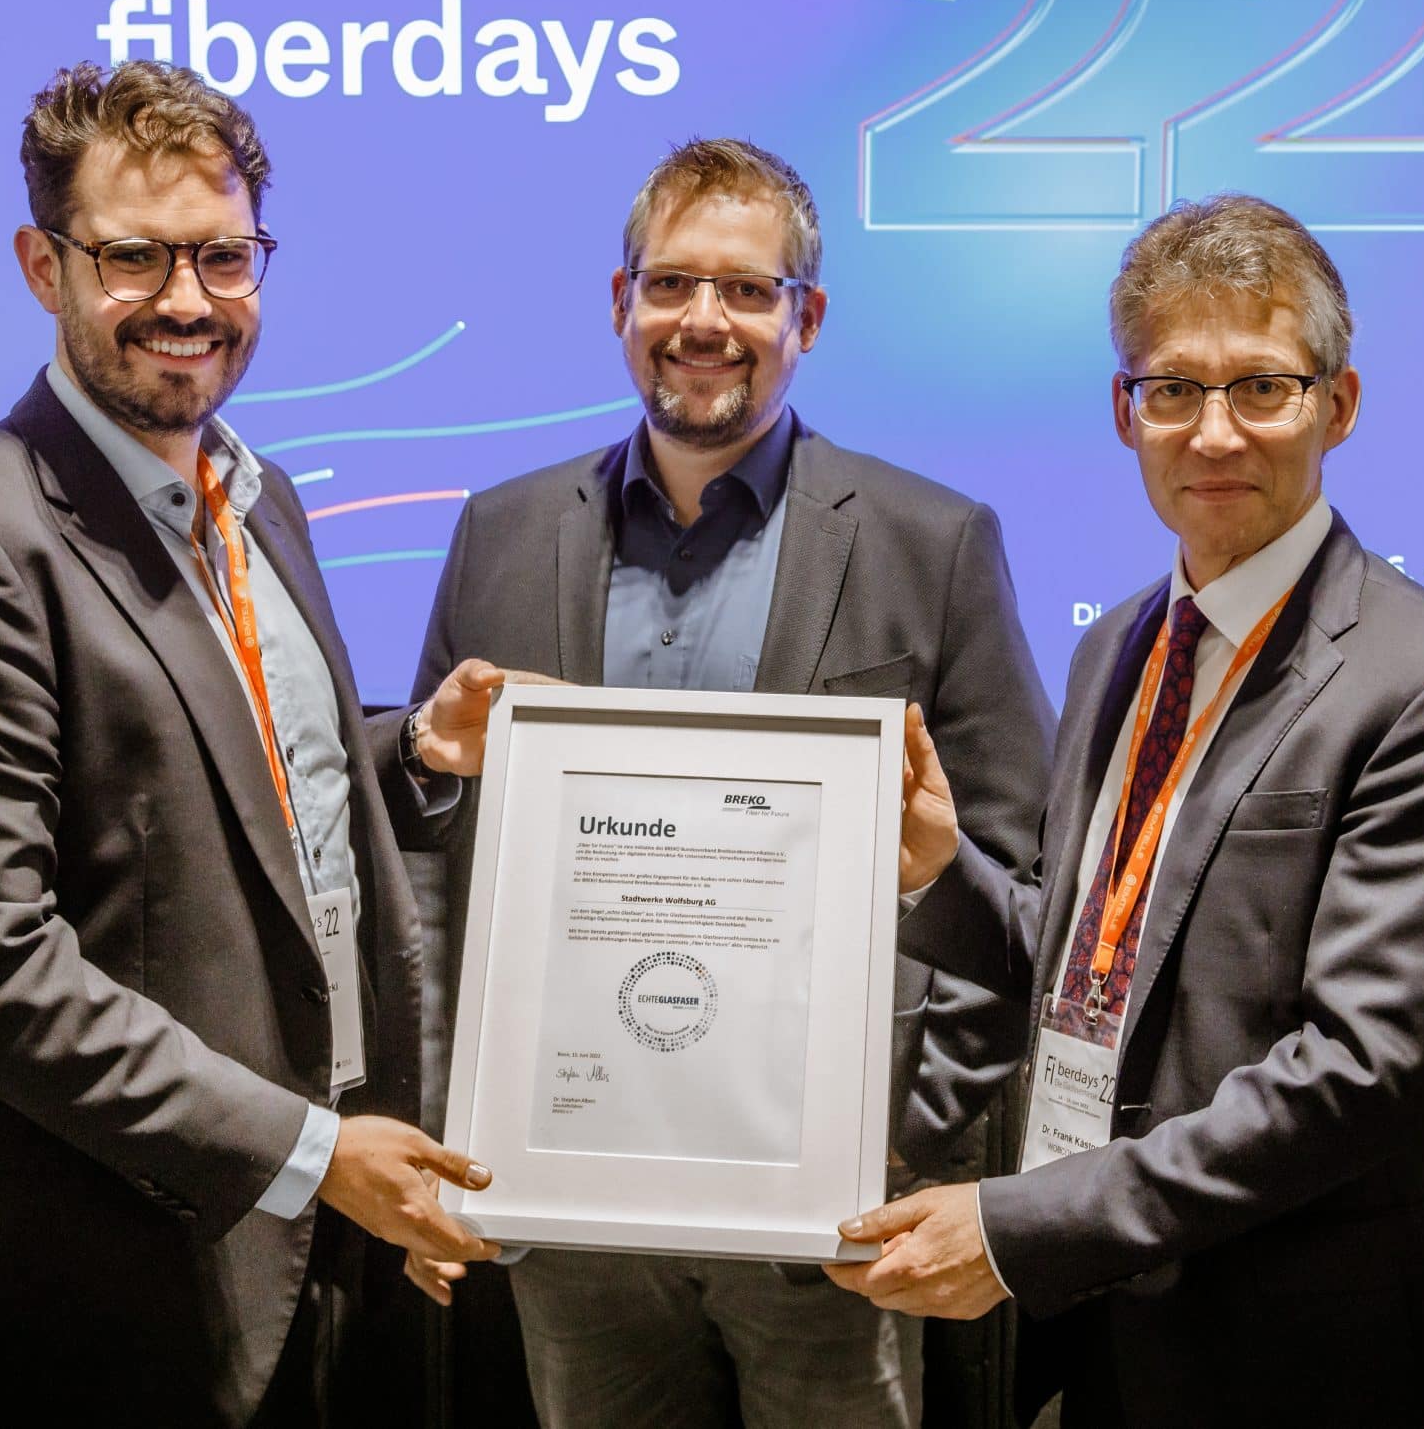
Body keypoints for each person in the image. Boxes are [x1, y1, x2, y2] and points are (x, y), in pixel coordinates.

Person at [0, 60, 515, 1428]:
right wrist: (310, 1151)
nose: (189, 299)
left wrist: (410, 757)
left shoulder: (257, 500)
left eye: (223, 255)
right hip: (98, 1281)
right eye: (135, 256)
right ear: (44, 265)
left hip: (310, 1242)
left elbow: (236, 806)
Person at [830, 194, 1424, 1427]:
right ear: (1126, 413)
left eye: (1260, 386)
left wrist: (1026, 1228)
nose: (1214, 433)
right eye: (1173, 390)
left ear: (1337, 405)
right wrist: (939, 872)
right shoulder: (1116, 646)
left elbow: (1358, 1072)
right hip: (1108, 1318)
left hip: (1301, 1349)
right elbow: (1100, 969)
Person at [403, 138, 1056, 1427]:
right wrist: (442, 1131)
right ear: (621, 301)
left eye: (748, 290)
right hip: (569, 1202)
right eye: (671, 283)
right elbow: (432, 871)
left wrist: (904, 1136)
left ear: (805, 318)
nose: (703, 321)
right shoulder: (502, 531)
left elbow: (1010, 885)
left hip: (829, 1221)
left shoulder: (932, 543)